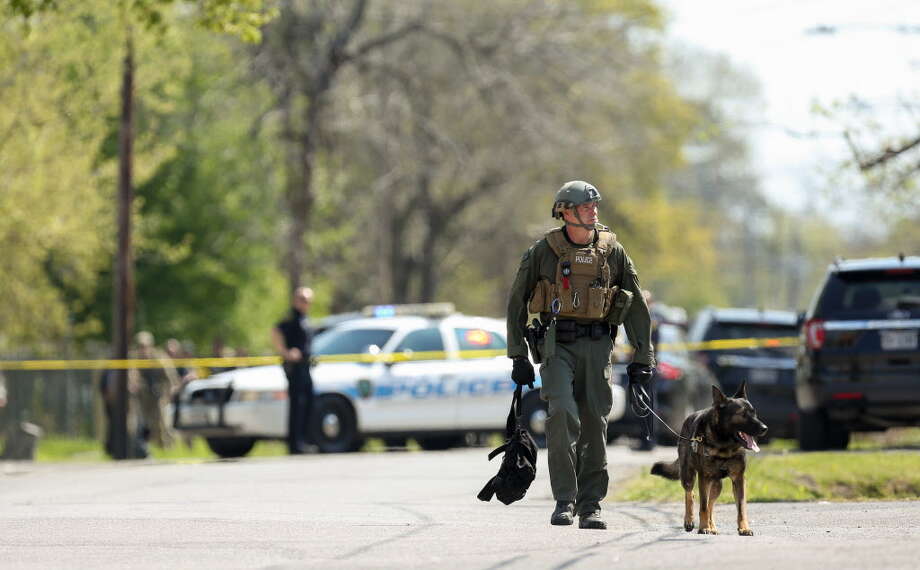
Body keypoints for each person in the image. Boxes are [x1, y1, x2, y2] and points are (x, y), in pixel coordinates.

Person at [507, 180, 656, 530]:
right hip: (556, 345)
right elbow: (516, 302)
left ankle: (591, 505)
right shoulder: (542, 252)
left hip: (599, 345)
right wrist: (517, 355)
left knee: (594, 423)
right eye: (586, 206)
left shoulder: (613, 251)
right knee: (562, 414)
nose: (594, 211)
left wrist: (642, 358)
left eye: (595, 206)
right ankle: (564, 499)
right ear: (566, 212)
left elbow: (635, 306)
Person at [271, 287, 316, 455]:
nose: (306, 303)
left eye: (308, 300)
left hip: (305, 366)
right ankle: (295, 444)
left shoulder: (305, 319)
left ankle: (305, 441)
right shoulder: (291, 318)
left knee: (308, 403)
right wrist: (285, 352)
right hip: (295, 368)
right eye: (303, 299)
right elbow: (275, 331)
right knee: (297, 406)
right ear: (295, 300)